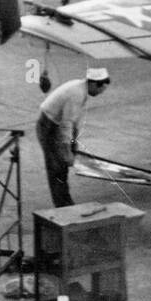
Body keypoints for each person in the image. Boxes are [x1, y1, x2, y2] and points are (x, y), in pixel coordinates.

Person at [36, 67, 111, 207]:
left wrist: (73, 143)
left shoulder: (81, 88)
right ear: (94, 84)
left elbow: (74, 121)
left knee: (62, 166)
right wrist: (67, 152)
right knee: (57, 167)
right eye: (100, 90)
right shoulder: (76, 94)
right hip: (48, 125)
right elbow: (66, 123)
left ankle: (65, 201)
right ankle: (62, 206)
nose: (100, 94)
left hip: (56, 123)